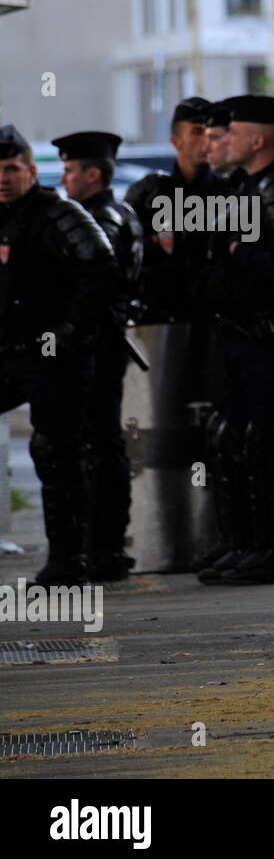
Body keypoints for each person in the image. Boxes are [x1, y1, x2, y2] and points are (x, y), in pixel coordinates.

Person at [195, 95, 274, 586]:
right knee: (236, 441)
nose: (223, 140)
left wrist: (241, 254)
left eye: (232, 132)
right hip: (242, 334)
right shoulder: (247, 187)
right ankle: (245, 544)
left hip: (268, 337)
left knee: (267, 444)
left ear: (258, 140)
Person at [0, 125, 118, 587]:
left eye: (11, 169)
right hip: (10, 354)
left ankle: (69, 560)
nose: (4, 178)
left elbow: (102, 269)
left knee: (56, 453)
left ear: (30, 170)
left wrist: (67, 333)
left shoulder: (58, 213)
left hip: (53, 357)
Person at [52, 131, 145, 582]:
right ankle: (102, 545)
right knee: (99, 441)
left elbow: (92, 282)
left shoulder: (103, 219)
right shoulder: (113, 212)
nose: (65, 178)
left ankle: (103, 546)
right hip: (100, 342)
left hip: (96, 345)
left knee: (97, 442)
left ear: (93, 172)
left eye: (71, 169)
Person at [126, 97, 230, 323]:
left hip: (215, 322)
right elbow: (123, 254)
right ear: (176, 141)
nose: (206, 141)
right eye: (197, 132)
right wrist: (157, 244)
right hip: (159, 320)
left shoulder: (229, 194)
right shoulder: (149, 194)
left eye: (211, 133)